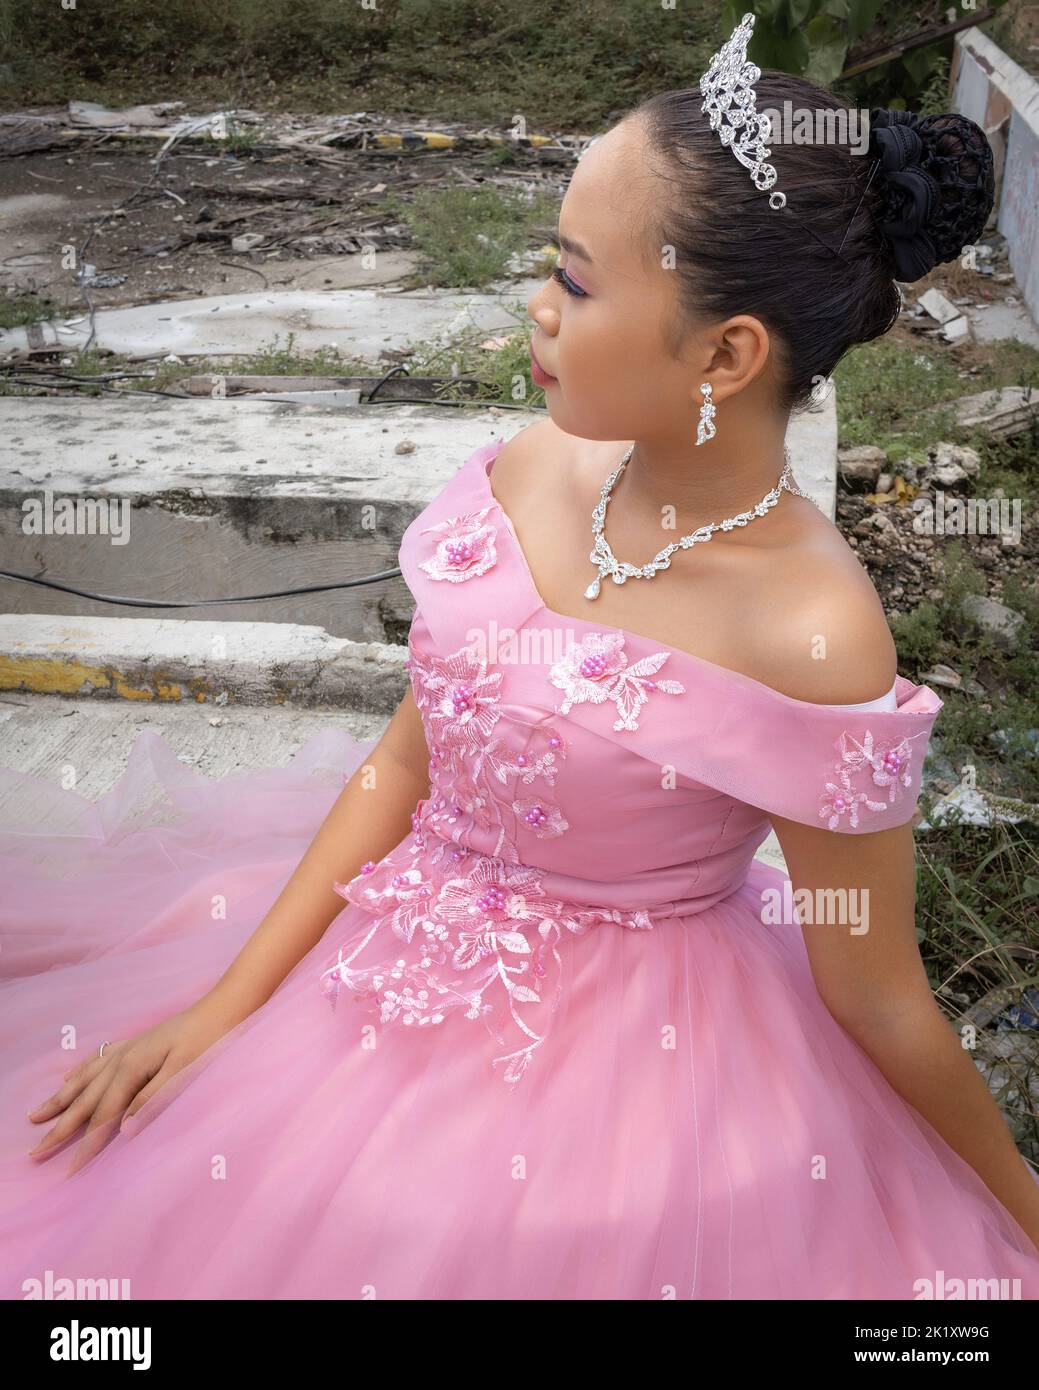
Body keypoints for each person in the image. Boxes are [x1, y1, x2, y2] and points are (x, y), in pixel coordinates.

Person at [3, 15, 1037, 1300]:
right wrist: (223, 1010)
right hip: (368, 961)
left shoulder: (807, 627)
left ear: (726, 354)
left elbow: (877, 997)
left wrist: (1026, 1216)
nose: (537, 311)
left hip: (630, 1075)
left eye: (579, 281)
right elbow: (400, 765)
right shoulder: (534, 468)